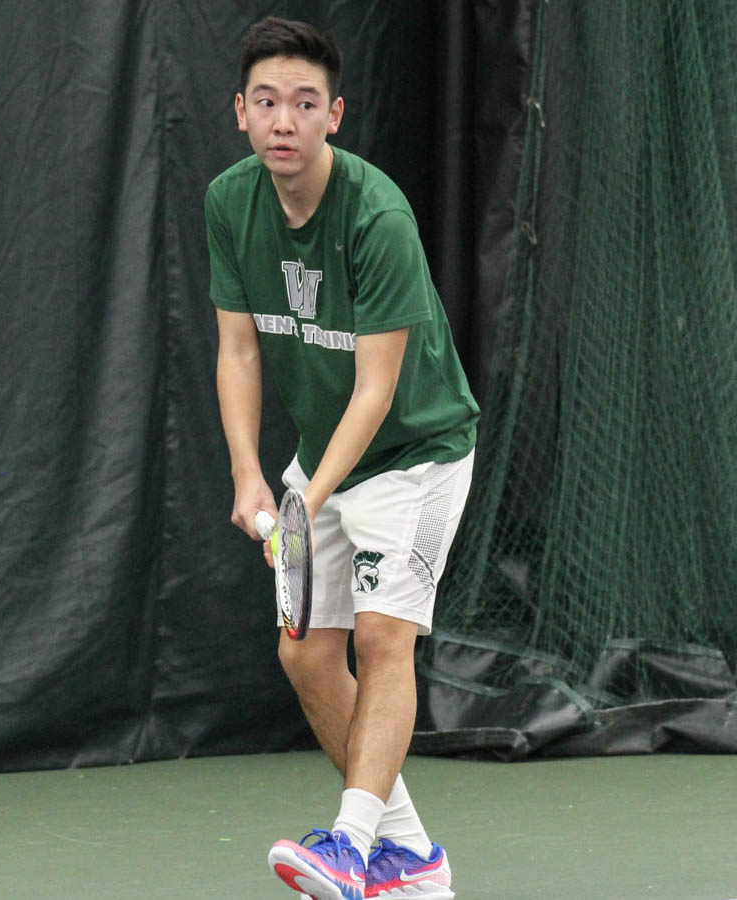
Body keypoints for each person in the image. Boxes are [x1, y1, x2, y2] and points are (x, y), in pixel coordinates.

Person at [204, 16, 479, 900]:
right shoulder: (228, 204)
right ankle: (417, 859)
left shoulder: (378, 216)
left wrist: (303, 503)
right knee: (305, 657)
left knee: (381, 636)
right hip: (323, 461)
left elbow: (375, 389)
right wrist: (251, 474)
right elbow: (240, 351)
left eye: (306, 103)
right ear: (241, 112)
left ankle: (352, 845)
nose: (285, 120)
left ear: (337, 116)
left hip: (417, 455)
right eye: (269, 102)